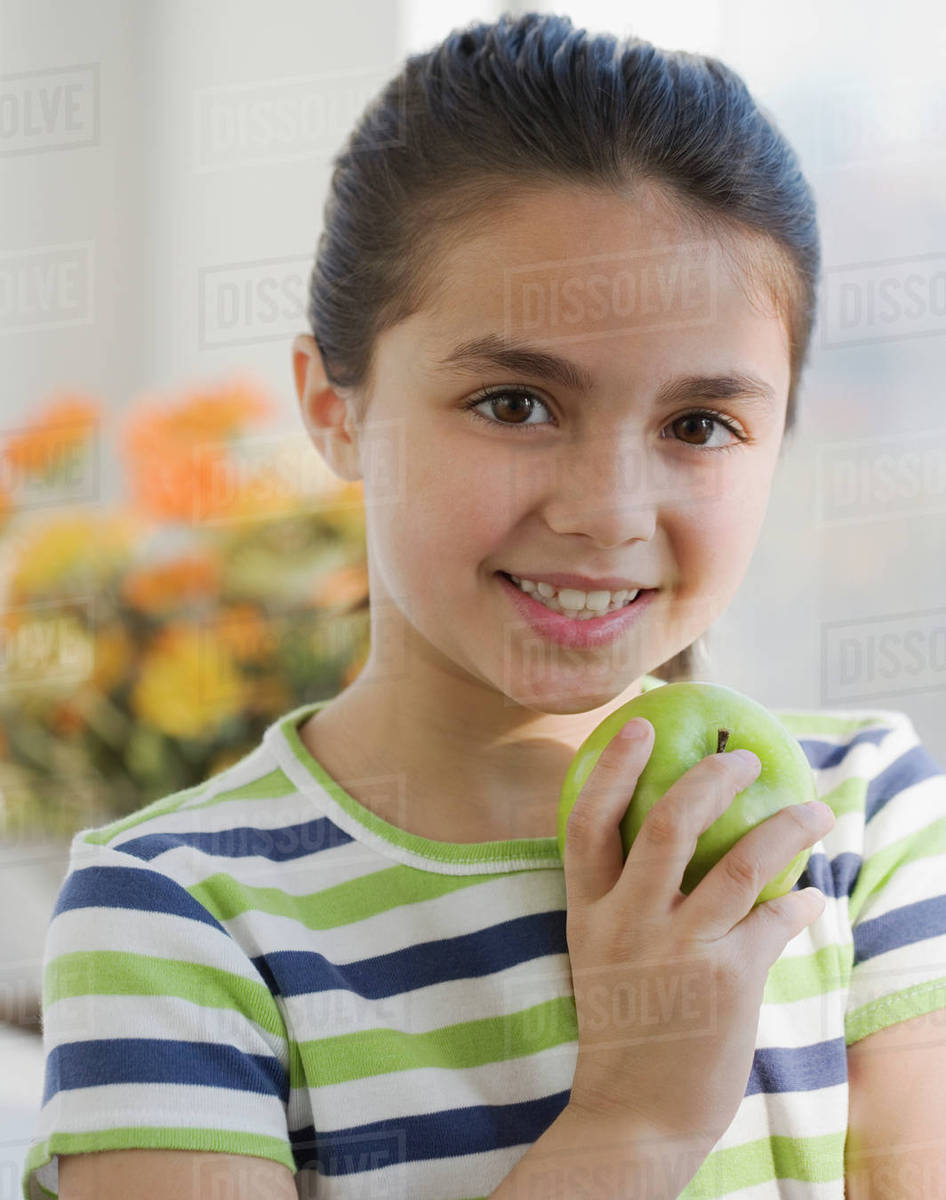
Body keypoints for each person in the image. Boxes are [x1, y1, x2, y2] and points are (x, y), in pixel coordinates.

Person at [22, 12, 946, 1199]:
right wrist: (638, 1123)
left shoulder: (859, 827)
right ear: (334, 406)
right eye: (515, 403)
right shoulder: (173, 921)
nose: (610, 512)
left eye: (699, 425)